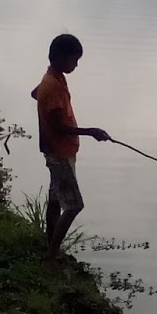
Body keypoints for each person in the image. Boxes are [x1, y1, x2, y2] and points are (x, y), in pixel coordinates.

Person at [31, 33, 109, 258]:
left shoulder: (52, 79)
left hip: (57, 150)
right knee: (74, 206)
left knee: (55, 198)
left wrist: (44, 102)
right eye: (74, 60)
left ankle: (49, 245)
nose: (75, 65)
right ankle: (52, 255)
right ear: (60, 58)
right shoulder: (52, 86)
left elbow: (34, 94)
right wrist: (91, 132)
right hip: (59, 152)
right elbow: (59, 127)